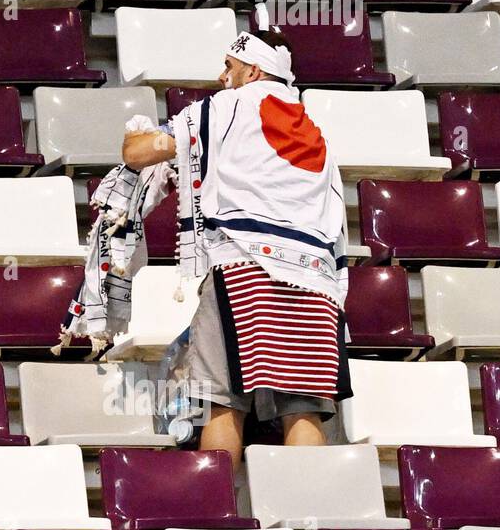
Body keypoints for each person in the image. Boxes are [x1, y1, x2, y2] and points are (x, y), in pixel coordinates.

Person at [121, 32, 352, 469]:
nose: (221, 76)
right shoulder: (313, 129)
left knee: (223, 402)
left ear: (254, 70)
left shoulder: (227, 107)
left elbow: (138, 154)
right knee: (302, 408)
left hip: (246, 266)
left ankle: (219, 515)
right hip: (316, 278)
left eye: (229, 66)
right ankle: (306, 520)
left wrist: (135, 133)